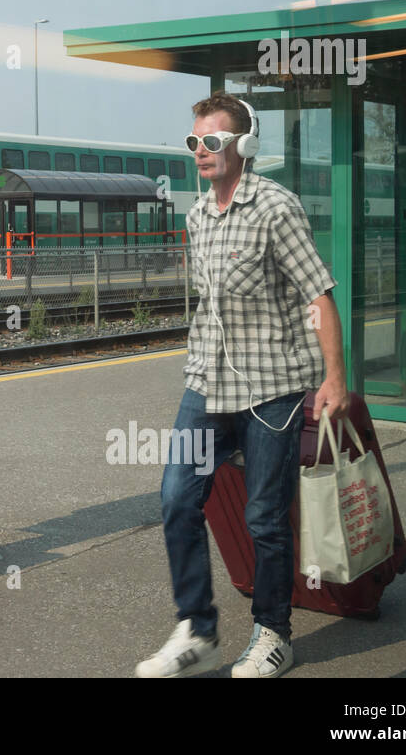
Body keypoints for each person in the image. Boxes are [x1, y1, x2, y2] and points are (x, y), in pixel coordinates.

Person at [136, 91, 349, 679]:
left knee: (264, 516)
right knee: (177, 497)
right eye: (193, 142)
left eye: (212, 141)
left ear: (243, 146)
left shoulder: (276, 206)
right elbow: (211, 305)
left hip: (271, 386)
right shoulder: (197, 214)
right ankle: (197, 630)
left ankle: (273, 635)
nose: (200, 152)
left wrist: (335, 377)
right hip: (206, 381)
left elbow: (318, 294)